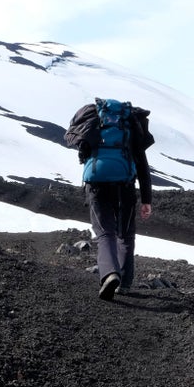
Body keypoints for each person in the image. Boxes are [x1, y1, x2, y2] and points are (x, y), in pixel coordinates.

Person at [64, 97, 154, 300]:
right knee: (126, 235)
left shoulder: (94, 124)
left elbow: (80, 147)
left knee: (105, 233)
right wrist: (147, 199)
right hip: (125, 186)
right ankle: (126, 282)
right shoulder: (130, 127)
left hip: (96, 185)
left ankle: (109, 273)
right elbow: (141, 164)